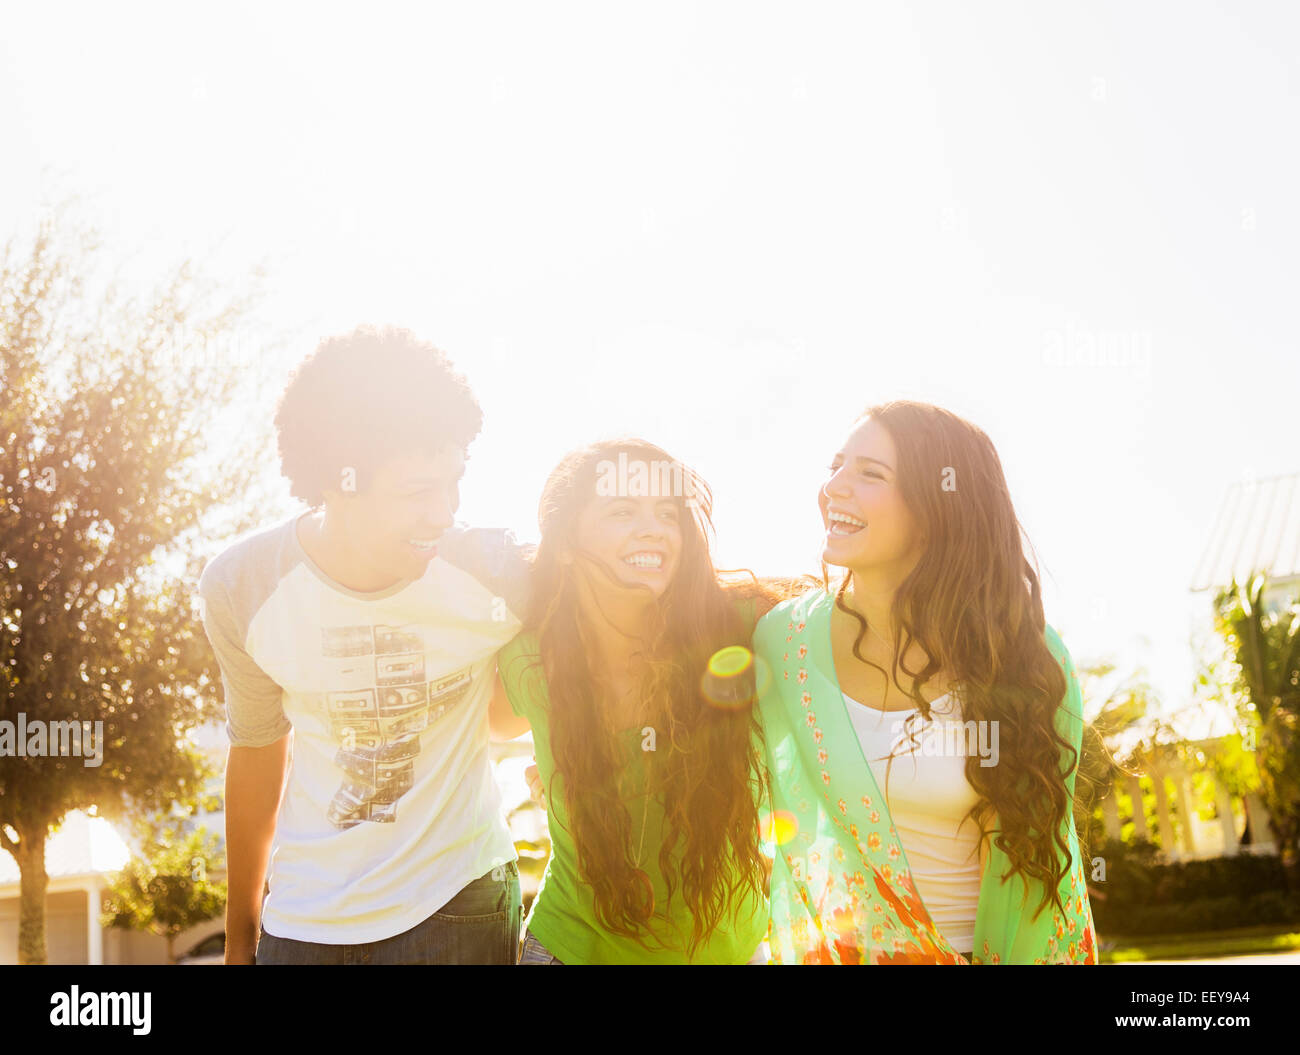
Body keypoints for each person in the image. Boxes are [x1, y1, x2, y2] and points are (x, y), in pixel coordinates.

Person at [198, 325, 531, 965]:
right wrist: (241, 942)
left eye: (452, 482)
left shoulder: (497, 571)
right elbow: (258, 755)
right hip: (302, 920)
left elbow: (523, 706)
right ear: (337, 484)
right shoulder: (244, 587)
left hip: (455, 903)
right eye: (416, 492)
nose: (444, 513)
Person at [754, 400, 1098, 964]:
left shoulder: (1026, 659)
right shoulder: (782, 643)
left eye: (870, 474)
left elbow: (1040, 875)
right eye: (835, 465)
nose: (834, 487)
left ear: (937, 507)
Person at [490, 439, 781, 964]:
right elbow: (479, 724)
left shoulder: (742, 627)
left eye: (667, 514)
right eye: (622, 511)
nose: (653, 528)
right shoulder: (530, 654)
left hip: (726, 952)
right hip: (569, 948)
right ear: (564, 544)